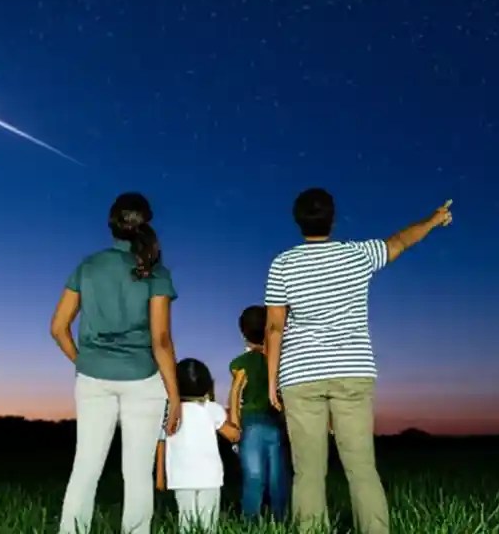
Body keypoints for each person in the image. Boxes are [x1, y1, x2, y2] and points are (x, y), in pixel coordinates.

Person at [265, 188, 453, 534]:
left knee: (308, 472)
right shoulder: (358, 255)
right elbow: (400, 241)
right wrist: (434, 219)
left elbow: (275, 326)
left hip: (301, 375)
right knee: (362, 467)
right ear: (333, 219)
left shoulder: (283, 263)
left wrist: (271, 379)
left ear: (297, 221)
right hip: (353, 371)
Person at [51, 192, 183, 534]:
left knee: (86, 466)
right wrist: (176, 395)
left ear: (112, 224)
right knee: (137, 471)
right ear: (146, 223)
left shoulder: (88, 266)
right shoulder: (155, 272)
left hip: (93, 378)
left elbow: (58, 328)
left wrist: (84, 361)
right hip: (142, 379)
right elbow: (162, 341)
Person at [154, 358, 241, 533]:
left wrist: (160, 476)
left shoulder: (169, 411)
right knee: (208, 525)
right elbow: (234, 435)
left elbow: (161, 443)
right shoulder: (211, 409)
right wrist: (234, 401)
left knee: (186, 524)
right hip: (209, 477)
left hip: (181, 478)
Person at [227, 305, 290, 522]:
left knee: (254, 476)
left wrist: (234, 424)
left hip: (251, 424)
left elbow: (236, 392)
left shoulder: (241, 363)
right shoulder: (277, 360)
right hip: (275, 423)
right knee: (277, 476)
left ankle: (250, 521)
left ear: (243, 333)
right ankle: (280, 519)